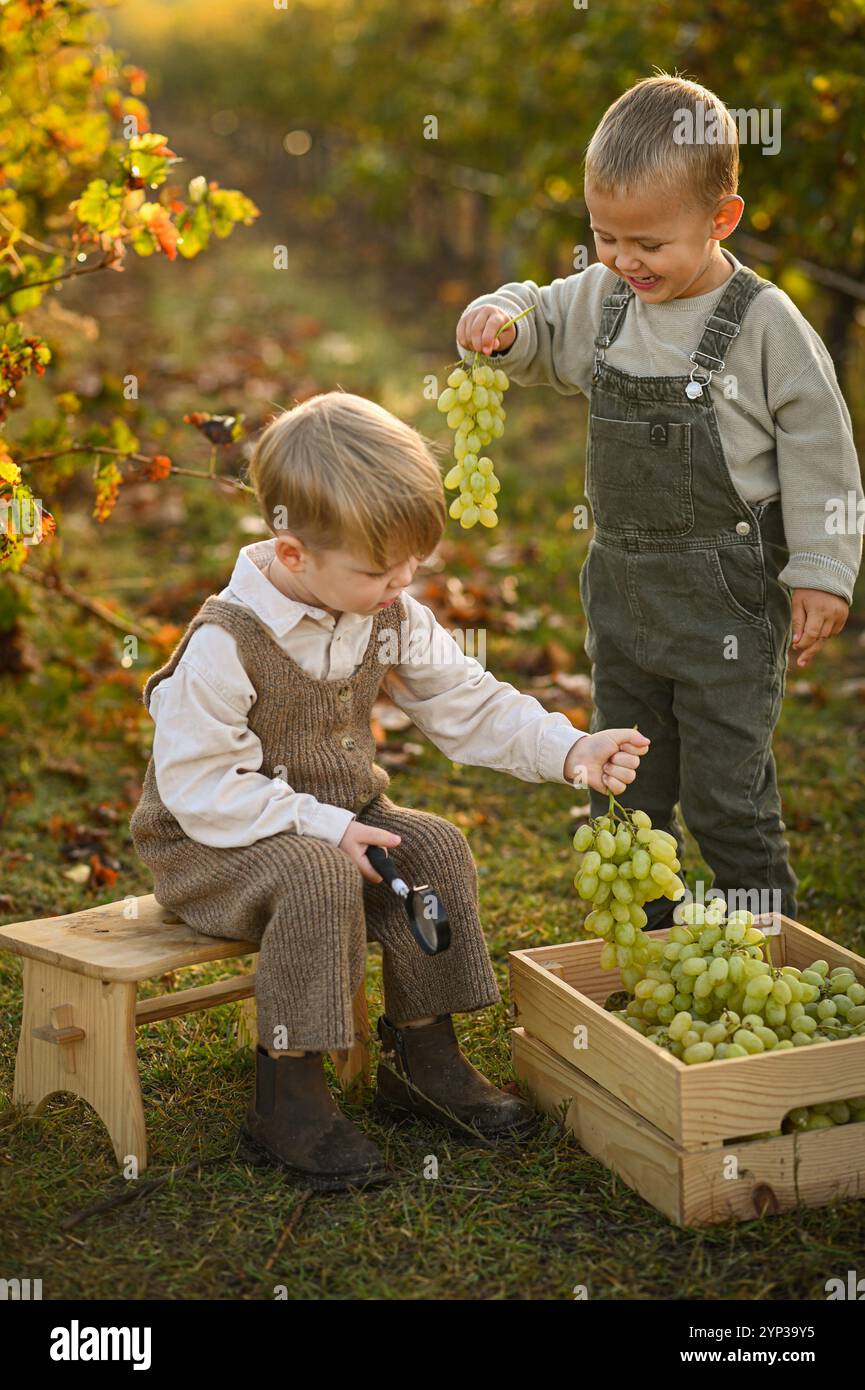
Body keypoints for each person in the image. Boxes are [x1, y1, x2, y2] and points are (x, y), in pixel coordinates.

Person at [129, 388, 649, 1191]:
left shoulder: (385, 609)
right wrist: (319, 828)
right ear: (294, 554)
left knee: (433, 845)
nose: (402, 582)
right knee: (316, 871)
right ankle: (288, 1092)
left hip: (335, 816)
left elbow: (463, 700)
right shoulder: (223, 645)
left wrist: (569, 747)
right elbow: (201, 787)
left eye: (414, 563)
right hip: (215, 841)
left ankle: (422, 1053)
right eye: (380, 569)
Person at [456, 72, 862, 932]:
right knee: (627, 786)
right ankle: (650, 941)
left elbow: (823, 455)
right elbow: (535, 321)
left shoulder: (765, 325)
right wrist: (499, 320)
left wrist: (823, 568)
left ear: (720, 220)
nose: (623, 261)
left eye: (647, 242)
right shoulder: (604, 300)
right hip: (625, 604)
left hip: (728, 607)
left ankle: (761, 943)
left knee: (726, 792)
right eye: (604, 237)